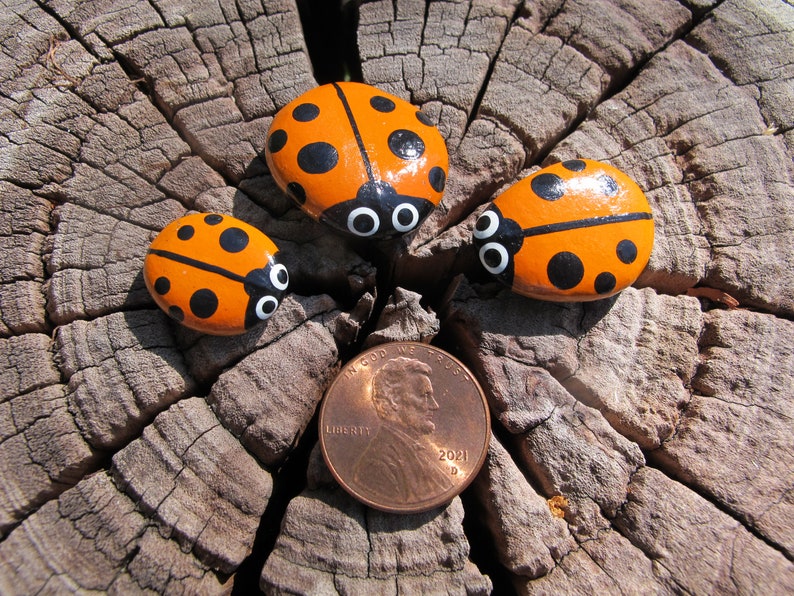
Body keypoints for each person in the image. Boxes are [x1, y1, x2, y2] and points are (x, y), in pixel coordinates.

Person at [353, 357, 453, 505]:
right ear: (393, 400)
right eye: (424, 395)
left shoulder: (416, 451)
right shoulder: (377, 465)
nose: (435, 405)